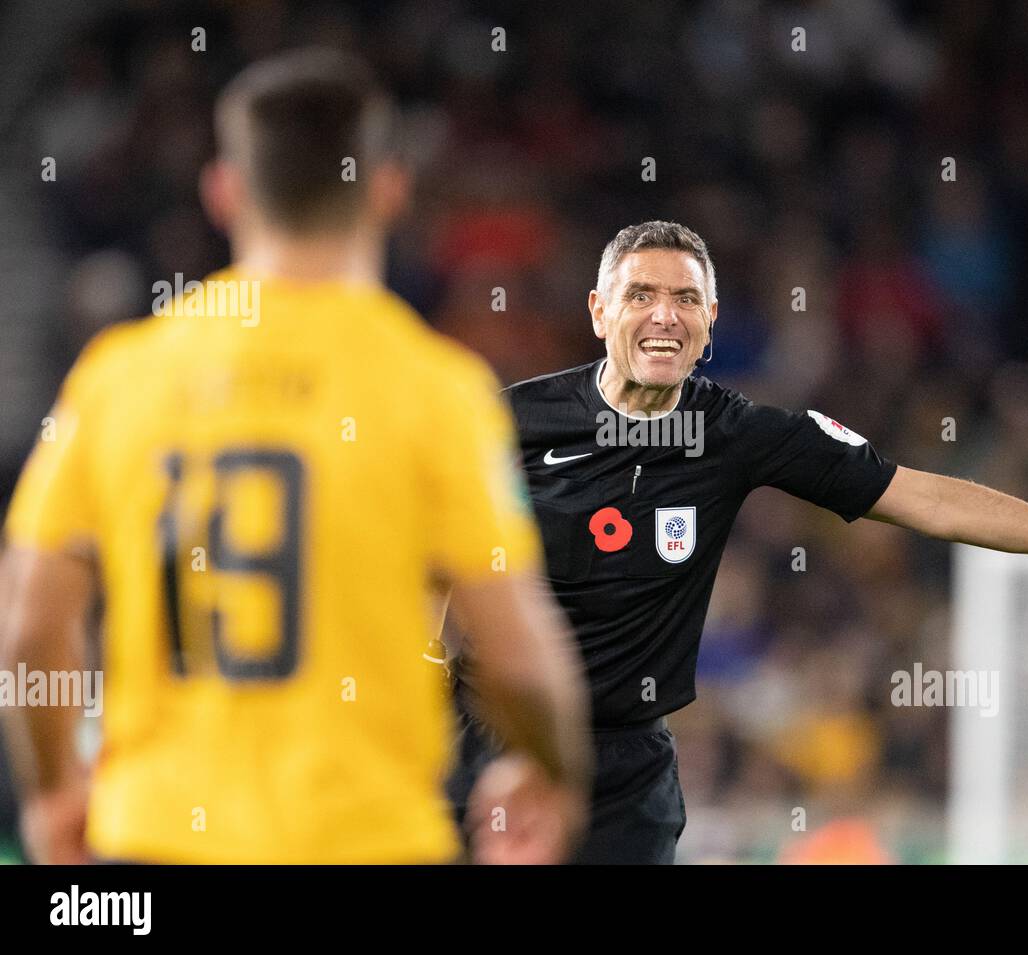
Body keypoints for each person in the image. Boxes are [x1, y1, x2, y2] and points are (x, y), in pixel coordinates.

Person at [447, 219, 1028, 864]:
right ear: (596, 310)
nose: (665, 315)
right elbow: (430, 546)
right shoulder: (513, 419)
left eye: (687, 298)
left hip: (623, 770)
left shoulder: (739, 432)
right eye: (641, 294)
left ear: (711, 321)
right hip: (490, 737)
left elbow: (922, 496)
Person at [0, 48, 591, 865]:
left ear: (224, 191)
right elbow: (520, 655)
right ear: (389, 188)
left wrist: (55, 788)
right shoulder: (438, 391)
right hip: (367, 840)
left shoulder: (118, 377)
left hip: (158, 840)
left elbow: (31, 627)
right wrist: (548, 769)